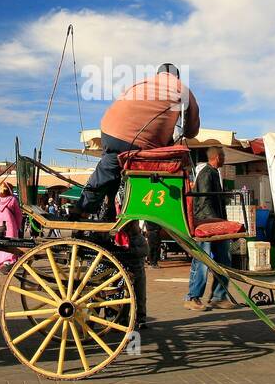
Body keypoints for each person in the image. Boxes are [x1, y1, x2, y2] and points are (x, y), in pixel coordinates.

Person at [79, 63, 200, 218]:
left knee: (110, 166)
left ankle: (88, 209)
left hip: (108, 129)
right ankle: (142, 216)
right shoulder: (181, 88)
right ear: (177, 76)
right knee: (128, 169)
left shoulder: (143, 83)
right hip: (138, 141)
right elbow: (191, 131)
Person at [185, 147, 233, 310]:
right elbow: (204, 200)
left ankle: (219, 296)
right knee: (202, 261)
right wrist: (213, 223)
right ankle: (193, 297)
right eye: (224, 156)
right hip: (207, 223)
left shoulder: (213, 172)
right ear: (218, 157)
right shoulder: (206, 173)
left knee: (224, 258)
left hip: (216, 222)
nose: (225, 158)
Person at [0, 182, 24, 273]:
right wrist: (18, 225)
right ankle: (8, 262)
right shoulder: (12, 199)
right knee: (11, 243)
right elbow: (18, 215)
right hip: (10, 225)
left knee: (0, 243)